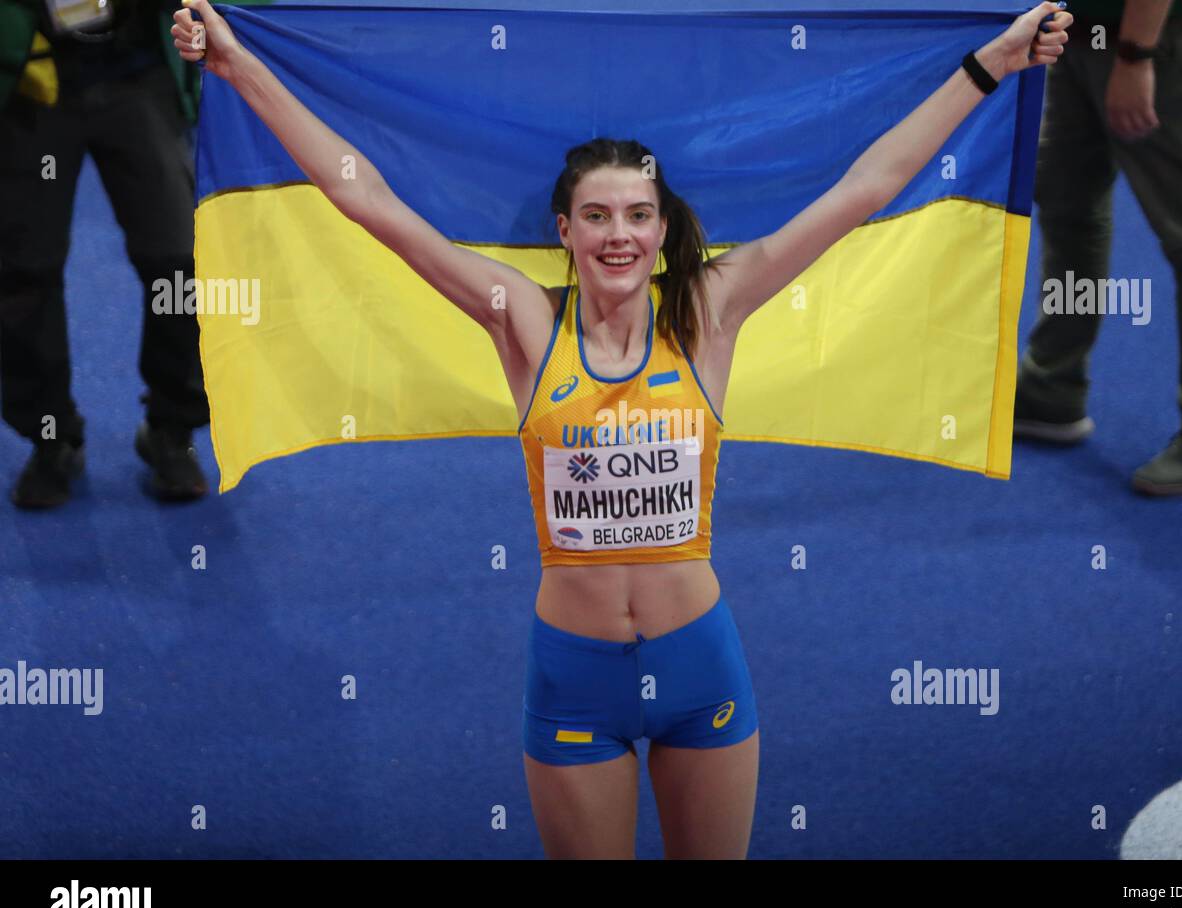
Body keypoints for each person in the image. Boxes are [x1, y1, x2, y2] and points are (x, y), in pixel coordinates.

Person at [172, 0, 1071, 858]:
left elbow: (864, 188)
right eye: (597, 216)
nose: (619, 236)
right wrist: (237, 64)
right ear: (564, 230)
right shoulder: (520, 320)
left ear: (663, 230)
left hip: (702, 671)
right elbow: (365, 198)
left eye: (639, 216)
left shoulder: (711, 315)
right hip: (573, 680)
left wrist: (990, 64)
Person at [1012, 0, 1182, 495]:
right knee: (1066, 203)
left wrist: (1137, 55)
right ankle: (1053, 385)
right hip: (1080, 26)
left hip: (1155, 37)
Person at [0, 0, 218, 508]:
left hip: (138, 75)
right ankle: (51, 438)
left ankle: (171, 427)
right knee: (23, 269)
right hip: (31, 83)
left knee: (180, 265)